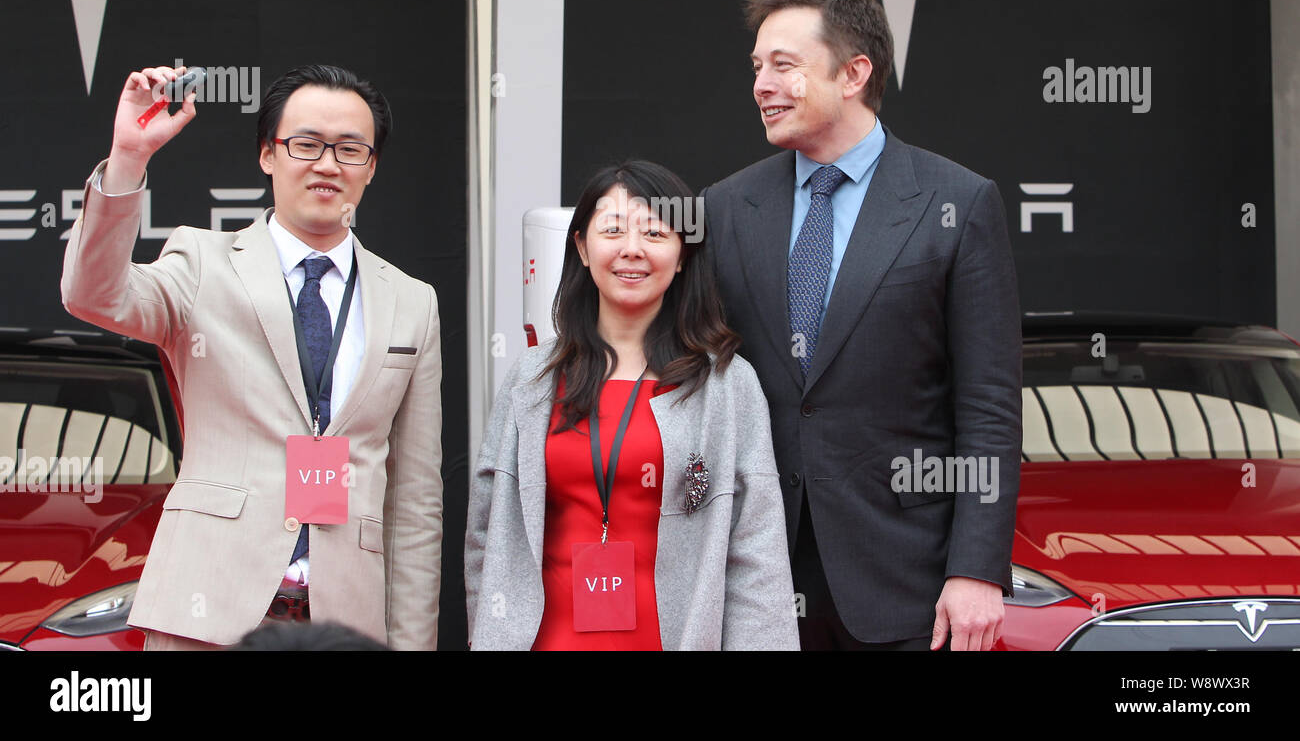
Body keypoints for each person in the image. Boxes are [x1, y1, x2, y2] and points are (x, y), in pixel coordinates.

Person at [61, 63, 443, 650]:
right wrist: (128, 159)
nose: (327, 164)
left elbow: (415, 502)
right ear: (268, 154)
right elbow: (94, 296)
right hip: (208, 612)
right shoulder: (202, 261)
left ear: (371, 167)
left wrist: (411, 644)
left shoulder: (412, 301)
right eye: (306, 143)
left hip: (344, 625)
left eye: (349, 149)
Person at [701, 0, 1022, 651]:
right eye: (756, 68)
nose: (762, 85)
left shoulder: (956, 203)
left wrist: (975, 571)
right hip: (757, 573)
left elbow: (989, 405)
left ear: (854, 74)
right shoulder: (725, 209)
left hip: (907, 579)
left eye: (784, 66)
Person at [465, 160, 798, 650]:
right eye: (613, 229)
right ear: (581, 246)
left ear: (683, 254)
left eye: (655, 233)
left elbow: (757, 553)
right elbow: (485, 533)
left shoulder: (726, 384)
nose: (632, 250)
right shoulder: (533, 377)